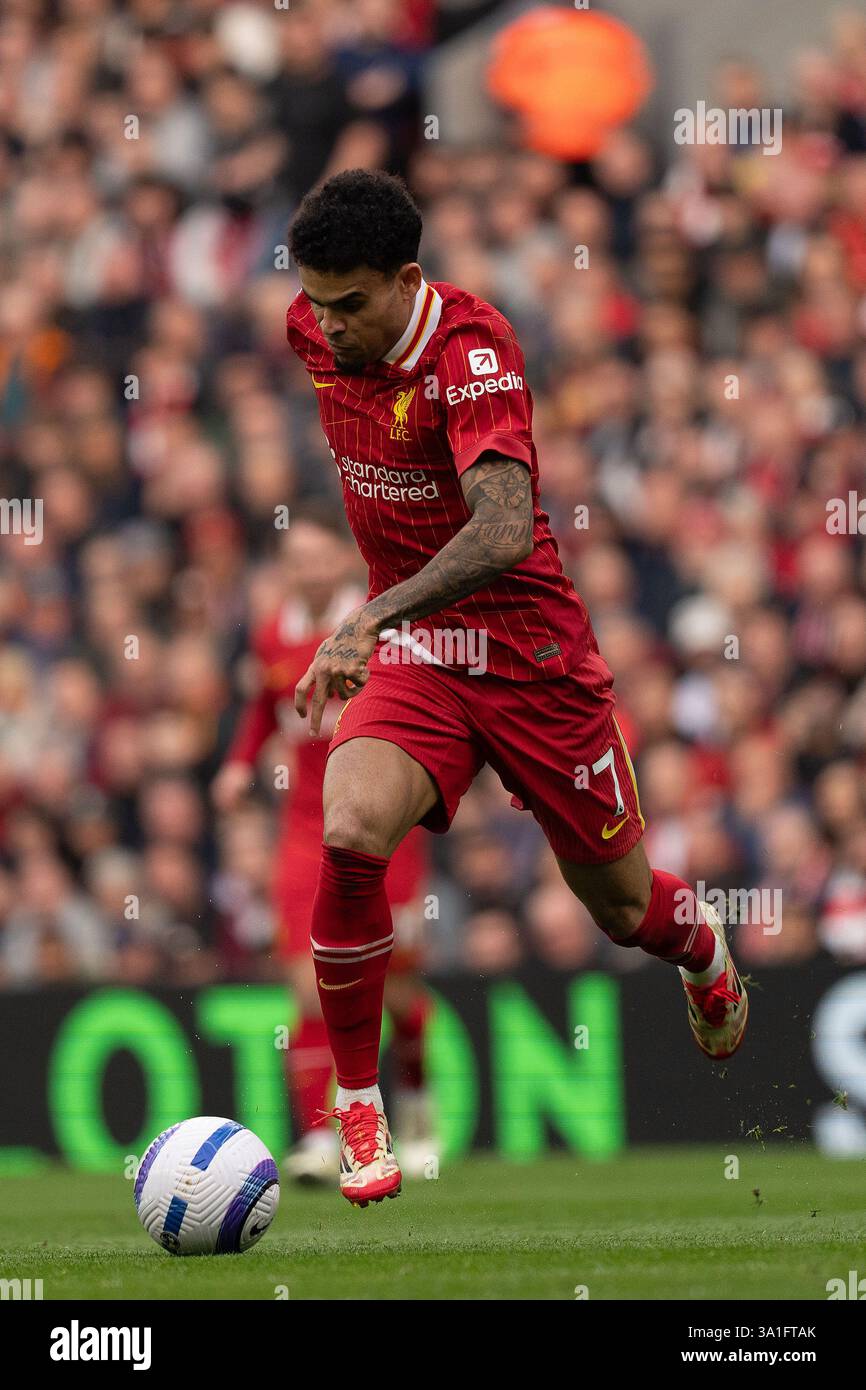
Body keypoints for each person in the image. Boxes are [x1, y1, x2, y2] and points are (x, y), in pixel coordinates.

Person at [287, 169, 748, 1207]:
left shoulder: (473, 351)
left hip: (531, 659)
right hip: (418, 650)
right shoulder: (311, 332)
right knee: (351, 819)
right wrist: (383, 614)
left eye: (350, 302)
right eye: (314, 299)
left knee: (623, 910)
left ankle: (700, 943)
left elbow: (498, 531)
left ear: (408, 279)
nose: (327, 323)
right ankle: (355, 1105)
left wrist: (364, 614)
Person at [212, 510, 435, 1184]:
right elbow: (262, 707)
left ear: (343, 560)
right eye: (296, 559)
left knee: (395, 984)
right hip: (306, 826)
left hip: (381, 817)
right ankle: (318, 1134)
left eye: (318, 557)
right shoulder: (271, 634)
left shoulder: (376, 623)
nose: (307, 570)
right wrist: (238, 763)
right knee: (306, 980)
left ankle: (418, 1108)